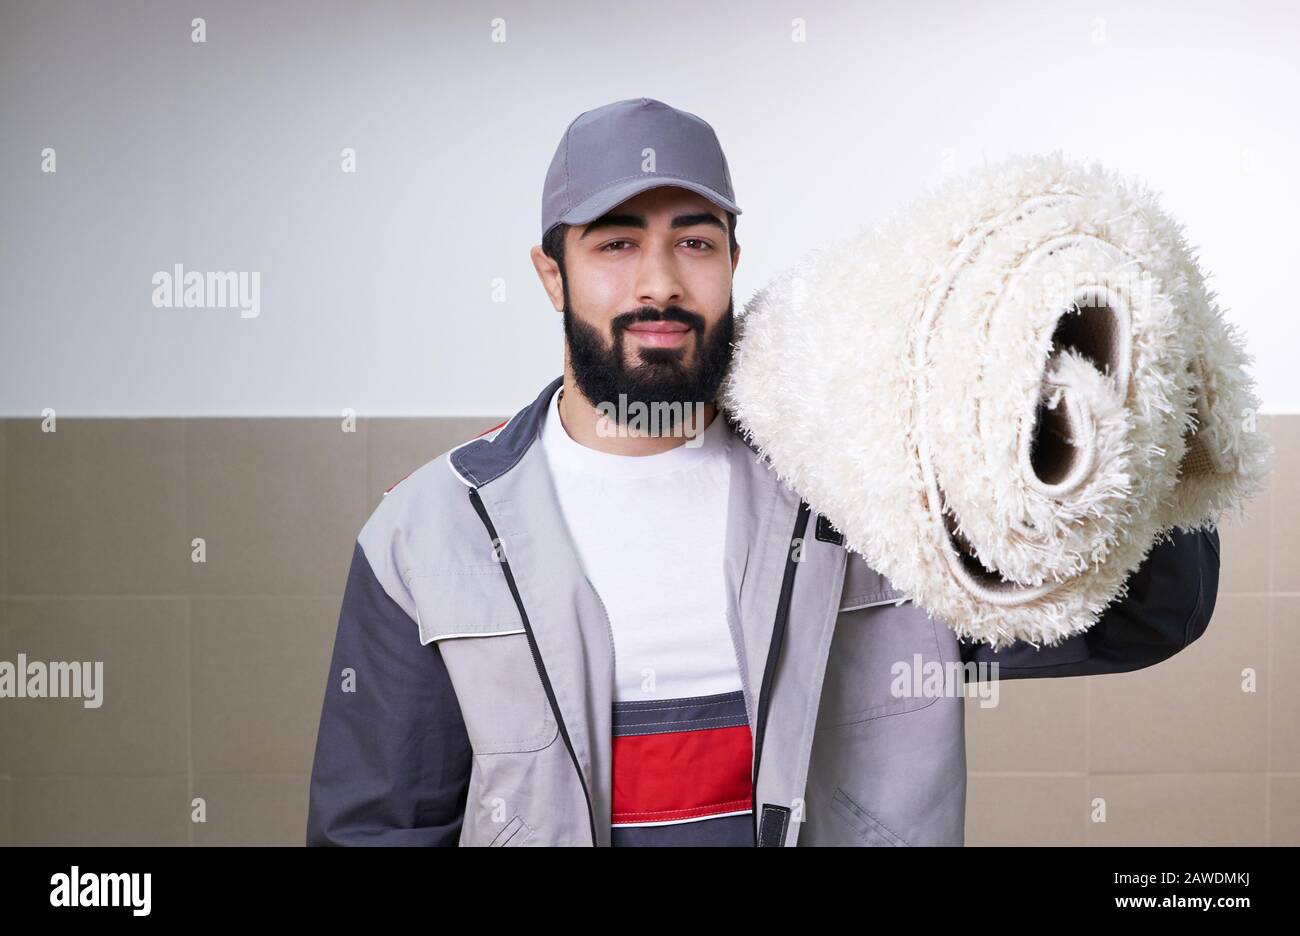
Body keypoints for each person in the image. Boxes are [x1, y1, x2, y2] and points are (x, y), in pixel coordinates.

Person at [306, 98, 1219, 847]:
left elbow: (1140, 616)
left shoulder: (857, 489)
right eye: (615, 243)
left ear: (734, 260)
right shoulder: (431, 534)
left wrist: (1126, 402)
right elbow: (378, 832)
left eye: (694, 242)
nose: (658, 283)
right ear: (552, 275)